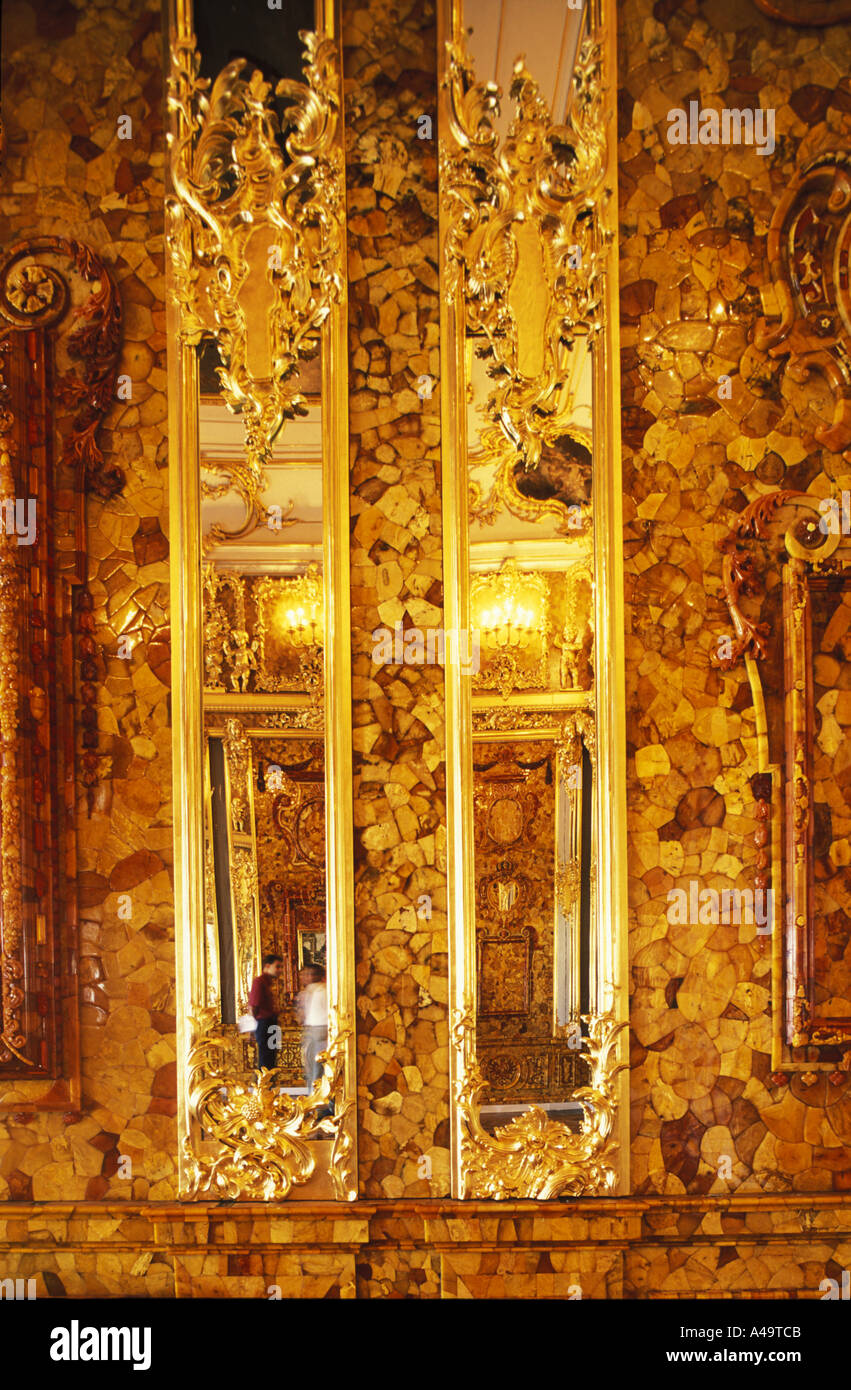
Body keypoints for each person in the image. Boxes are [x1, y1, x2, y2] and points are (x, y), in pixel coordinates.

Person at [295, 964, 328, 1096]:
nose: (303, 977)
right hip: (318, 1029)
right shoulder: (321, 989)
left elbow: (301, 1014)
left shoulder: (317, 990)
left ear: (313, 976)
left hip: (318, 1029)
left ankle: (315, 1094)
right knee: (315, 1064)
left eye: (306, 974)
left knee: (315, 1065)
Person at [249, 954, 283, 1071]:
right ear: (267, 966)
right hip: (264, 1024)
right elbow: (254, 1006)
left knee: (272, 1057)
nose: (280, 970)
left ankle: (269, 1085)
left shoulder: (268, 983)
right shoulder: (259, 982)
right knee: (265, 1058)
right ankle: (263, 1085)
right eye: (277, 967)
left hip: (271, 1023)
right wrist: (253, 1028)